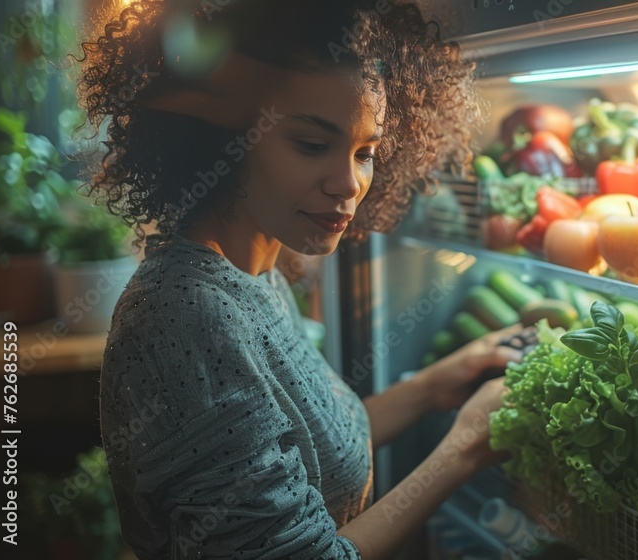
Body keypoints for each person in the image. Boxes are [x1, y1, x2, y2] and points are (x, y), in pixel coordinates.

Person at [78, 1, 521, 558]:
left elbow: (304, 454)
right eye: (312, 145)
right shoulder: (187, 314)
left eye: (365, 152)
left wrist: (434, 385)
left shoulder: (254, 275)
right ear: (224, 139)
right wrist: (465, 449)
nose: (349, 184)